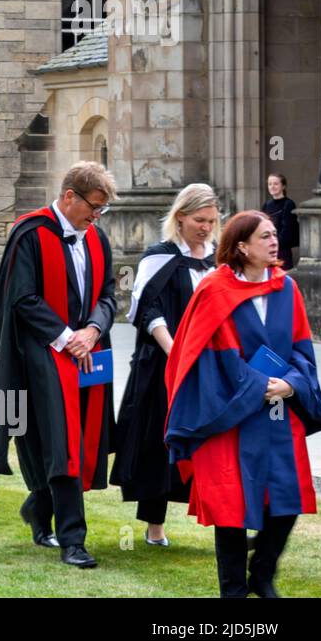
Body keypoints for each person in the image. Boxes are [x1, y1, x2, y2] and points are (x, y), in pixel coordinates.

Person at [166, 210, 321, 598]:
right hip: (229, 417)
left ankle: (263, 573)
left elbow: (302, 350)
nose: (274, 242)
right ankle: (233, 589)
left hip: (276, 413)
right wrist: (259, 386)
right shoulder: (214, 290)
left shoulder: (286, 288)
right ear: (241, 246)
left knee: (287, 498)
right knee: (231, 507)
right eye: (265, 236)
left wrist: (290, 383)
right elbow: (209, 356)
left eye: (275, 235)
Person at [0, 161, 117, 569]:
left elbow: (110, 294)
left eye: (101, 210)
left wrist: (94, 330)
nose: (96, 216)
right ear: (69, 197)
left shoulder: (96, 238)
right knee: (63, 444)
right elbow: (21, 298)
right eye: (93, 206)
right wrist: (67, 338)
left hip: (87, 353)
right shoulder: (30, 233)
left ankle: (37, 508)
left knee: (75, 441)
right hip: (43, 353)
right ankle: (73, 541)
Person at [112, 183, 218, 546]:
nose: (205, 227)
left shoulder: (218, 260)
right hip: (165, 367)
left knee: (216, 444)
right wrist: (175, 351)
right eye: (198, 220)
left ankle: (228, 521)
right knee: (161, 445)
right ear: (181, 217)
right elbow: (147, 310)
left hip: (212, 367)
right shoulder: (160, 256)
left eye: (211, 220)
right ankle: (154, 525)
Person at [262, 173, 299, 270]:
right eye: (270, 184)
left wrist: (274, 244)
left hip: (282, 250)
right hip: (267, 249)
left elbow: (288, 230)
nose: (272, 187)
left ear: (283, 186)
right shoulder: (267, 204)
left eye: (275, 184)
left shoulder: (289, 204)